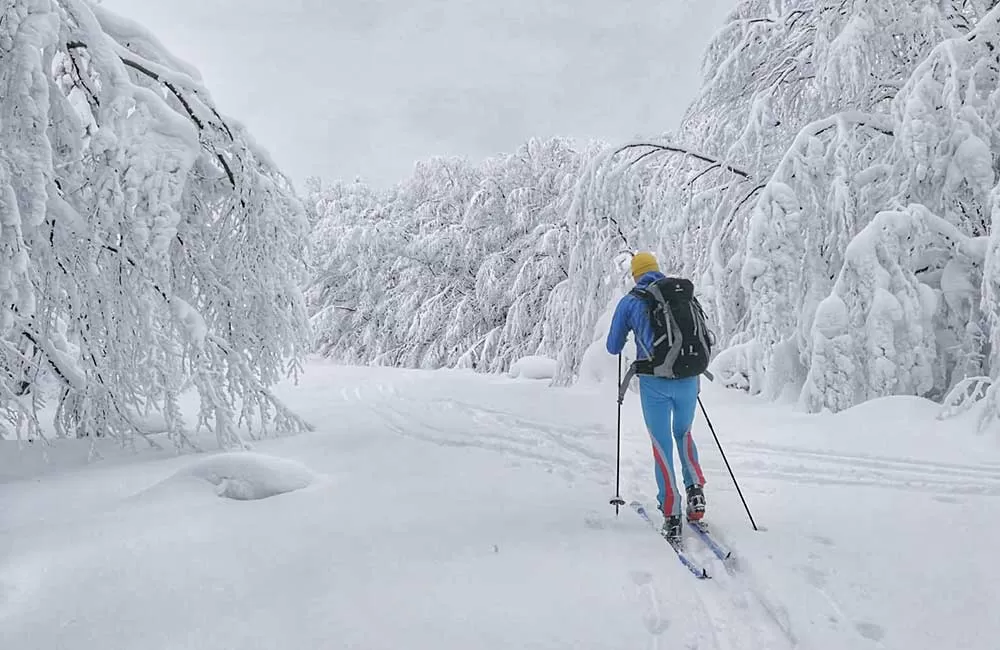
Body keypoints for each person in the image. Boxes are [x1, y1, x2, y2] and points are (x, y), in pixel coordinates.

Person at [605, 251, 706, 542]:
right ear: (657, 270)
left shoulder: (631, 301)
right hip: (689, 380)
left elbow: (613, 347)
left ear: (636, 274)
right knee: (684, 433)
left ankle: (672, 513)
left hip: (654, 383)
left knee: (661, 444)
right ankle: (696, 491)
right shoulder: (681, 294)